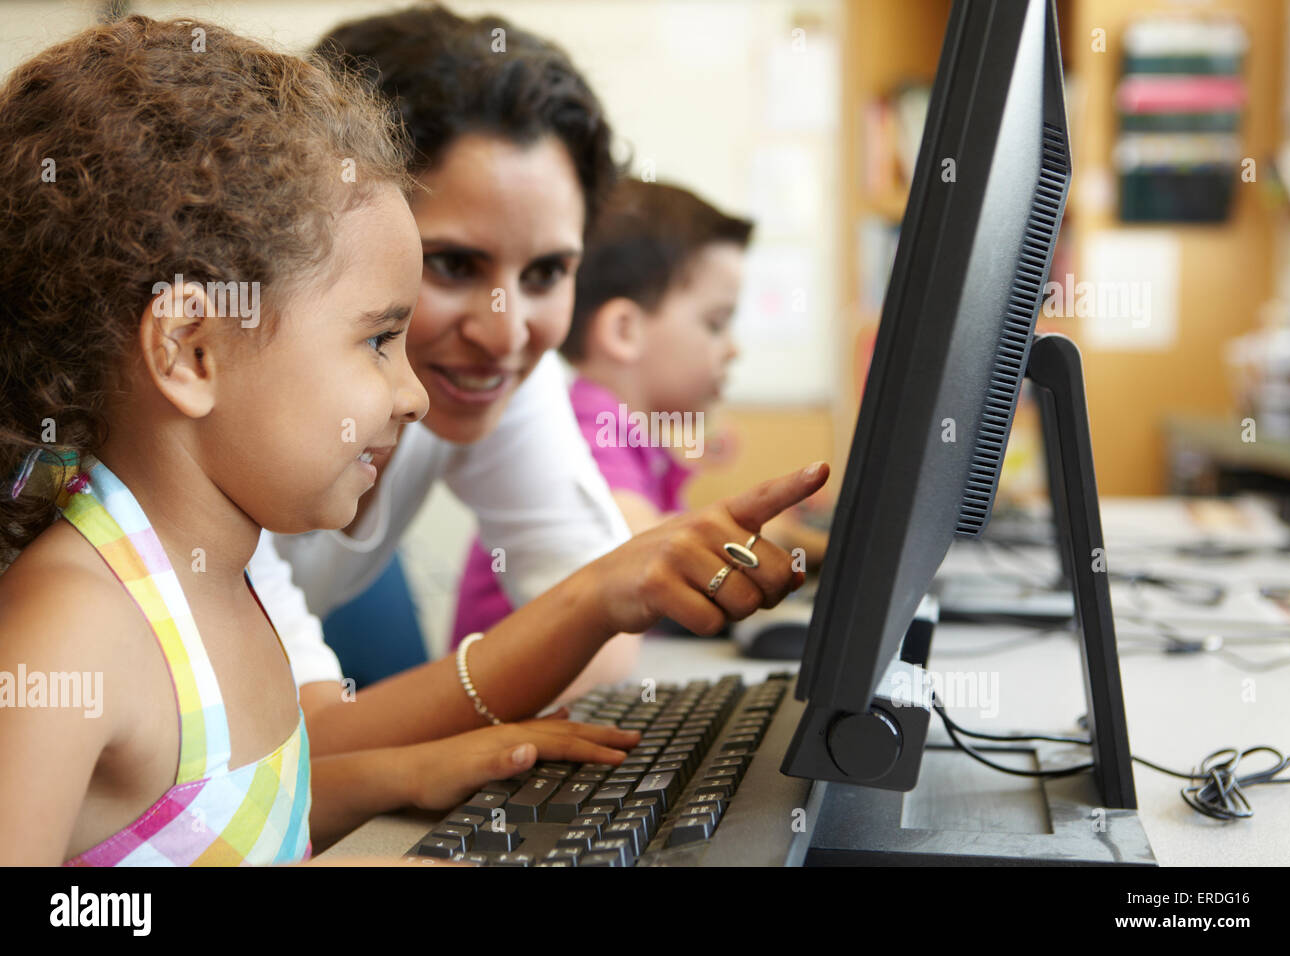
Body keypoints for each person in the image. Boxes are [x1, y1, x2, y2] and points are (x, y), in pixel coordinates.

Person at [0, 15, 826, 864]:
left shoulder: (224, 577)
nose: (415, 394)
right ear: (191, 350)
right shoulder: (73, 633)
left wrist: (407, 775)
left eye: (547, 271)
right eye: (377, 338)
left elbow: (236, 800)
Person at [454, 178, 752, 643]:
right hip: (514, 706)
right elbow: (644, 550)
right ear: (624, 330)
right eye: (716, 323)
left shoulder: (632, 433)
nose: (733, 350)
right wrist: (773, 539)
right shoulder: (584, 425)